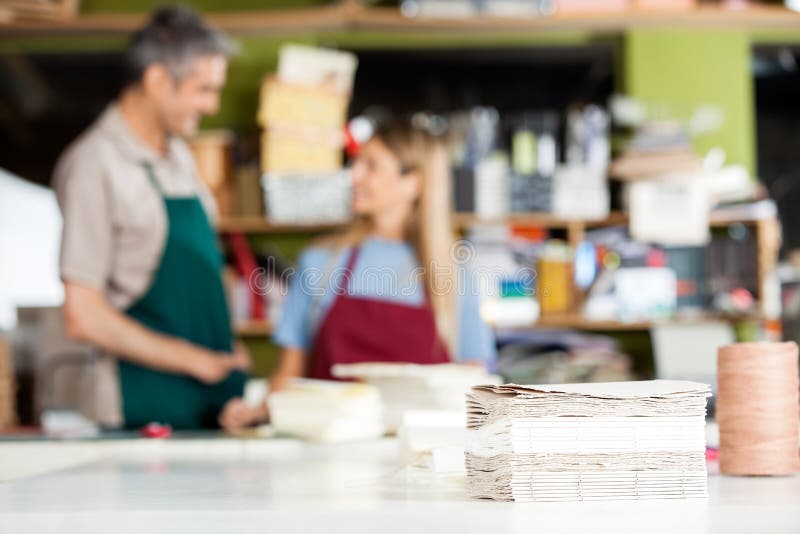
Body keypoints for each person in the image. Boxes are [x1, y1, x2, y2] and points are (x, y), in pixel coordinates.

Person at [219, 118, 497, 429]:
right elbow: (289, 374)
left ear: (413, 183)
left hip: (419, 461)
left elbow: (472, 386)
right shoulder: (320, 261)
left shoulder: (454, 275)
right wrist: (258, 412)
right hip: (327, 463)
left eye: (371, 166)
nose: (354, 175)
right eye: (356, 163)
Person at [53, 5, 249, 430]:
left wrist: (224, 357)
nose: (212, 105)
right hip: (141, 408)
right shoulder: (94, 163)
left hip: (210, 406)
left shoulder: (177, 154)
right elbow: (82, 314)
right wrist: (198, 361)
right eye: (204, 89)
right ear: (158, 79)